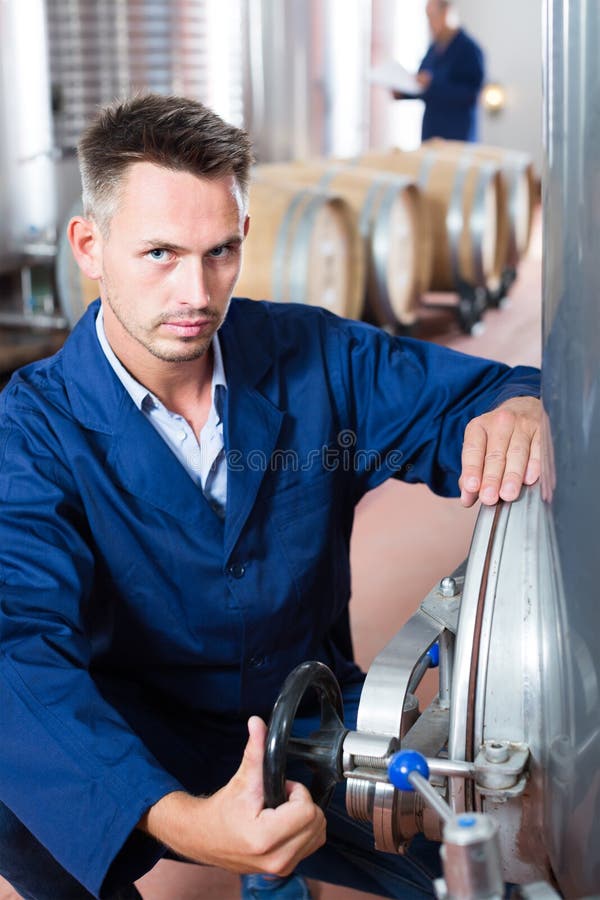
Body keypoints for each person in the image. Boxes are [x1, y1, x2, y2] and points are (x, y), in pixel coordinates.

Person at [0, 93, 541, 900]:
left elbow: (490, 392)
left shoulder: (311, 353)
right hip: (144, 737)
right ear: (90, 247)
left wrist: (522, 406)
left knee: (498, 856)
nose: (196, 292)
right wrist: (186, 820)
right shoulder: (32, 429)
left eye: (220, 251)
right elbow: (18, 645)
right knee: (21, 794)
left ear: (246, 234)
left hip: (309, 719)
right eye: (160, 254)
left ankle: (288, 855)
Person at [393, 0, 485, 142]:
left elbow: (473, 94)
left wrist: (433, 83)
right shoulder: (433, 50)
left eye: (432, 16)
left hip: (457, 137)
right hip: (431, 134)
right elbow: (423, 88)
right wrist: (404, 92)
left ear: (446, 13)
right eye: (427, 17)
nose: (429, 23)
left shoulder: (469, 49)